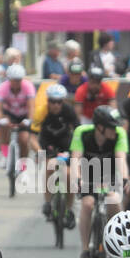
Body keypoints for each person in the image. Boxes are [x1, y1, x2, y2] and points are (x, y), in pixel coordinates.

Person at [70, 106, 130, 258]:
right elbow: (76, 158)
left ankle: (118, 243)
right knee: (88, 204)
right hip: (88, 175)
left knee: (114, 202)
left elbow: (121, 159)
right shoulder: (82, 132)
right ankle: (85, 248)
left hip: (109, 175)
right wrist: (77, 180)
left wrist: (124, 178)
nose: (115, 129)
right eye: (112, 127)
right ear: (100, 127)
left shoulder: (119, 134)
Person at [37, 82, 80, 221]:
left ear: (63, 102)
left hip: (66, 145)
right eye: (52, 101)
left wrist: (78, 151)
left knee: (68, 175)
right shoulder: (41, 112)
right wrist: (39, 152)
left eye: (59, 102)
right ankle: (48, 202)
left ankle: (69, 208)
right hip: (48, 144)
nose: (55, 105)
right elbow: (32, 135)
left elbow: (78, 131)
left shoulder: (69, 110)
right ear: (48, 101)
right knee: (50, 167)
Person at [0, 63, 36, 169]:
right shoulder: (3, 87)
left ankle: (23, 162)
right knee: (3, 126)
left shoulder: (28, 86)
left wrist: (29, 120)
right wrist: (0, 119)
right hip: (10, 113)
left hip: (24, 115)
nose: (16, 83)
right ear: (9, 79)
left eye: (19, 80)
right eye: (14, 80)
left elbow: (32, 107)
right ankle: (4, 155)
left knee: (24, 139)